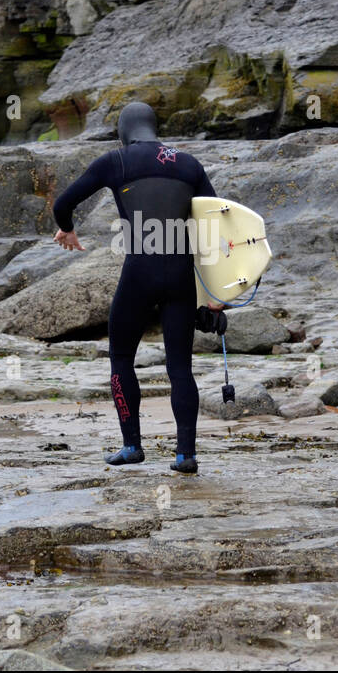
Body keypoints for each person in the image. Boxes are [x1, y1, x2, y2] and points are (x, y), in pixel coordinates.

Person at [52, 101, 217, 474]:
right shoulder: (189, 164)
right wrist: (216, 299)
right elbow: (217, 222)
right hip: (180, 274)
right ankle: (185, 455)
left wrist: (67, 228)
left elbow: (64, 204)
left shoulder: (116, 161)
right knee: (180, 367)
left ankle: (131, 446)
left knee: (122, 356)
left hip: (140, 271)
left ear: (124, 132)